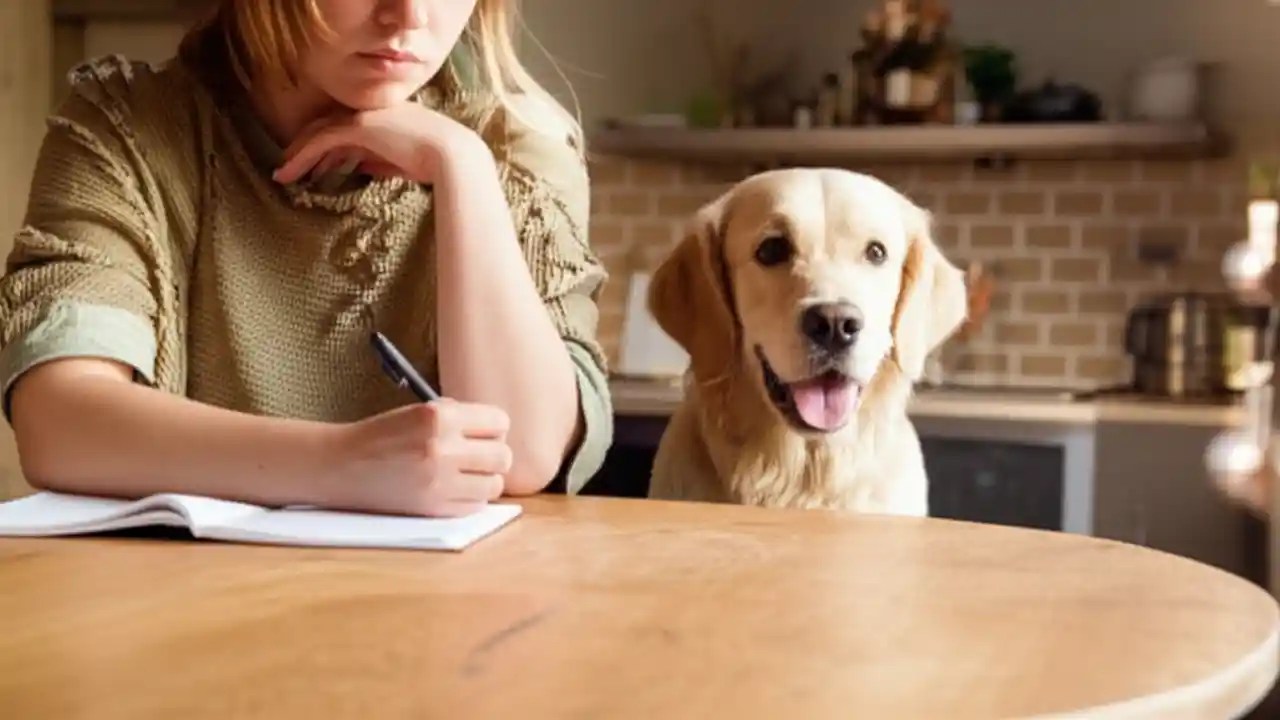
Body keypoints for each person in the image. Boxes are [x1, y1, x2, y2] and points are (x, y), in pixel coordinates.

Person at [0, 0, 614, 518]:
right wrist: (342, 464)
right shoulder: (126, 130)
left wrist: (461, 168)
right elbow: (60, 422)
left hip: (445, 630)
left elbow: (526, 451)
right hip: (188, 621)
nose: (408, 14)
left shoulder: (513, 153)